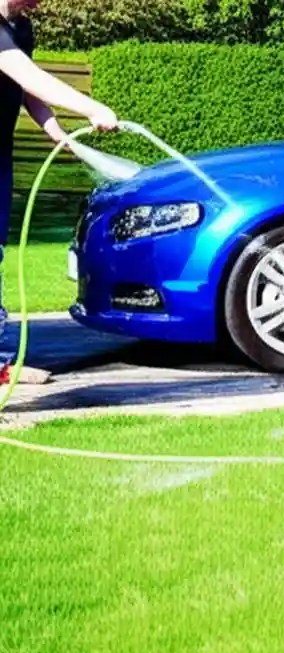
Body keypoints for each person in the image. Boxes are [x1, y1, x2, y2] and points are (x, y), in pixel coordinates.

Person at [0, 0, 118, 386]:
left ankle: (0, 365)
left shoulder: (21, 27)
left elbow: (26, 90)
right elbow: (24, 73)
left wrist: (53, 128)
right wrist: (91, 107)